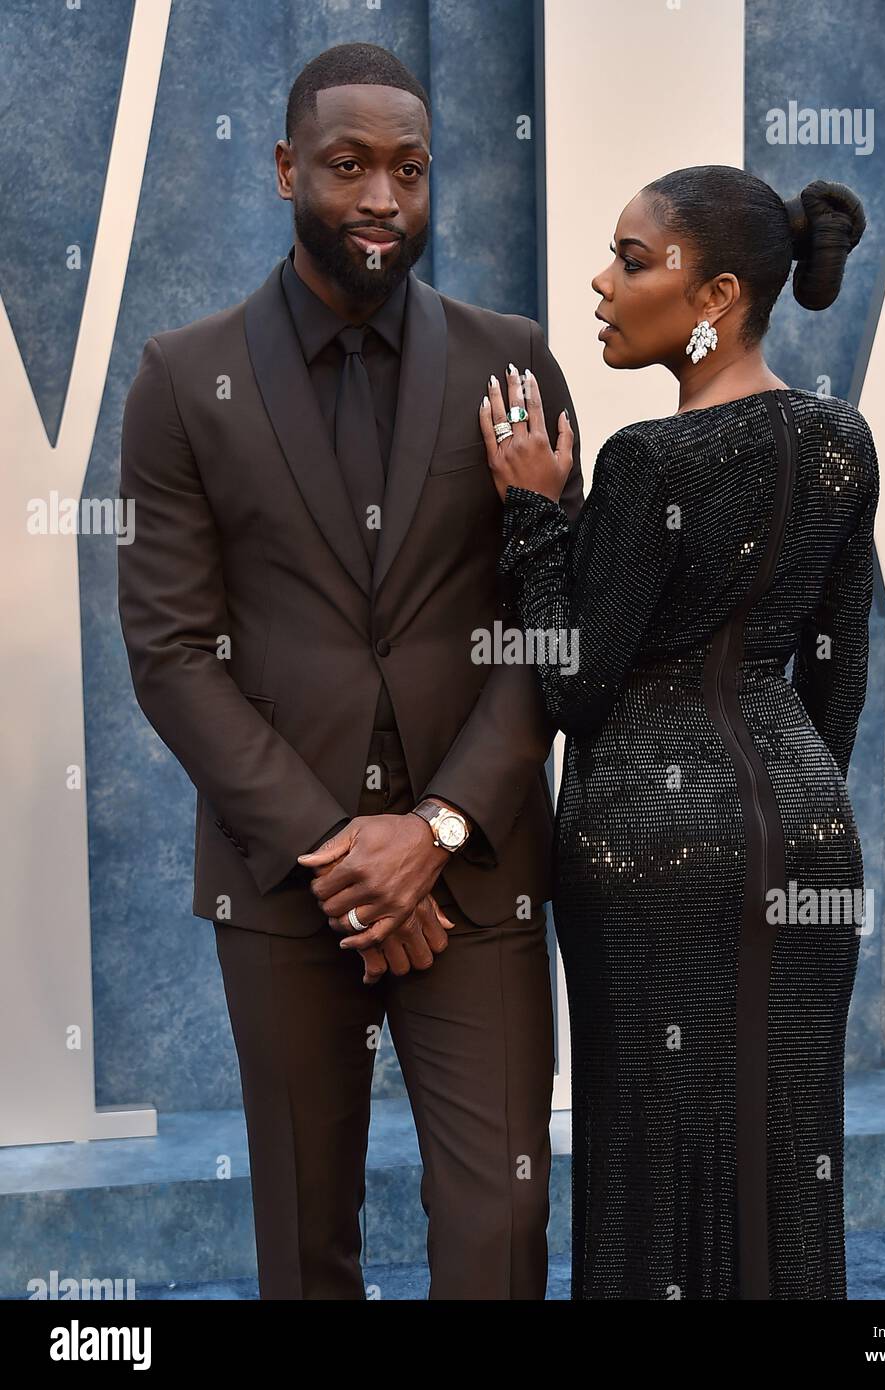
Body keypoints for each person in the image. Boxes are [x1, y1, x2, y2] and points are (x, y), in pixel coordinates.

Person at [117, 42, 583, 1300]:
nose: (383, 196)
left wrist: (432, 831)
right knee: (307, 1244)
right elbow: (168, 652)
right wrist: (345, 850)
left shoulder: (516, 362)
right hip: (285, 885)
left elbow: (551, 626)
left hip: (477, 876)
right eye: (349, 164)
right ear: (284, 170)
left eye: (410, 169)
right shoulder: (181, 379)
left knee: (498, 1237)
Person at [481, 167, 878, 1299]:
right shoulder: (843, 440)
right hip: (808, 836)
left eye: (633, 260)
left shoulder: (650, 461)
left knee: (655, 1153)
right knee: (786, 1143)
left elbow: (573, 684)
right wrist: (798, 810)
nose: (603, 284)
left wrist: (535, 515)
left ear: (713, 298)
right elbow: (838, 672)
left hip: (647, 849)